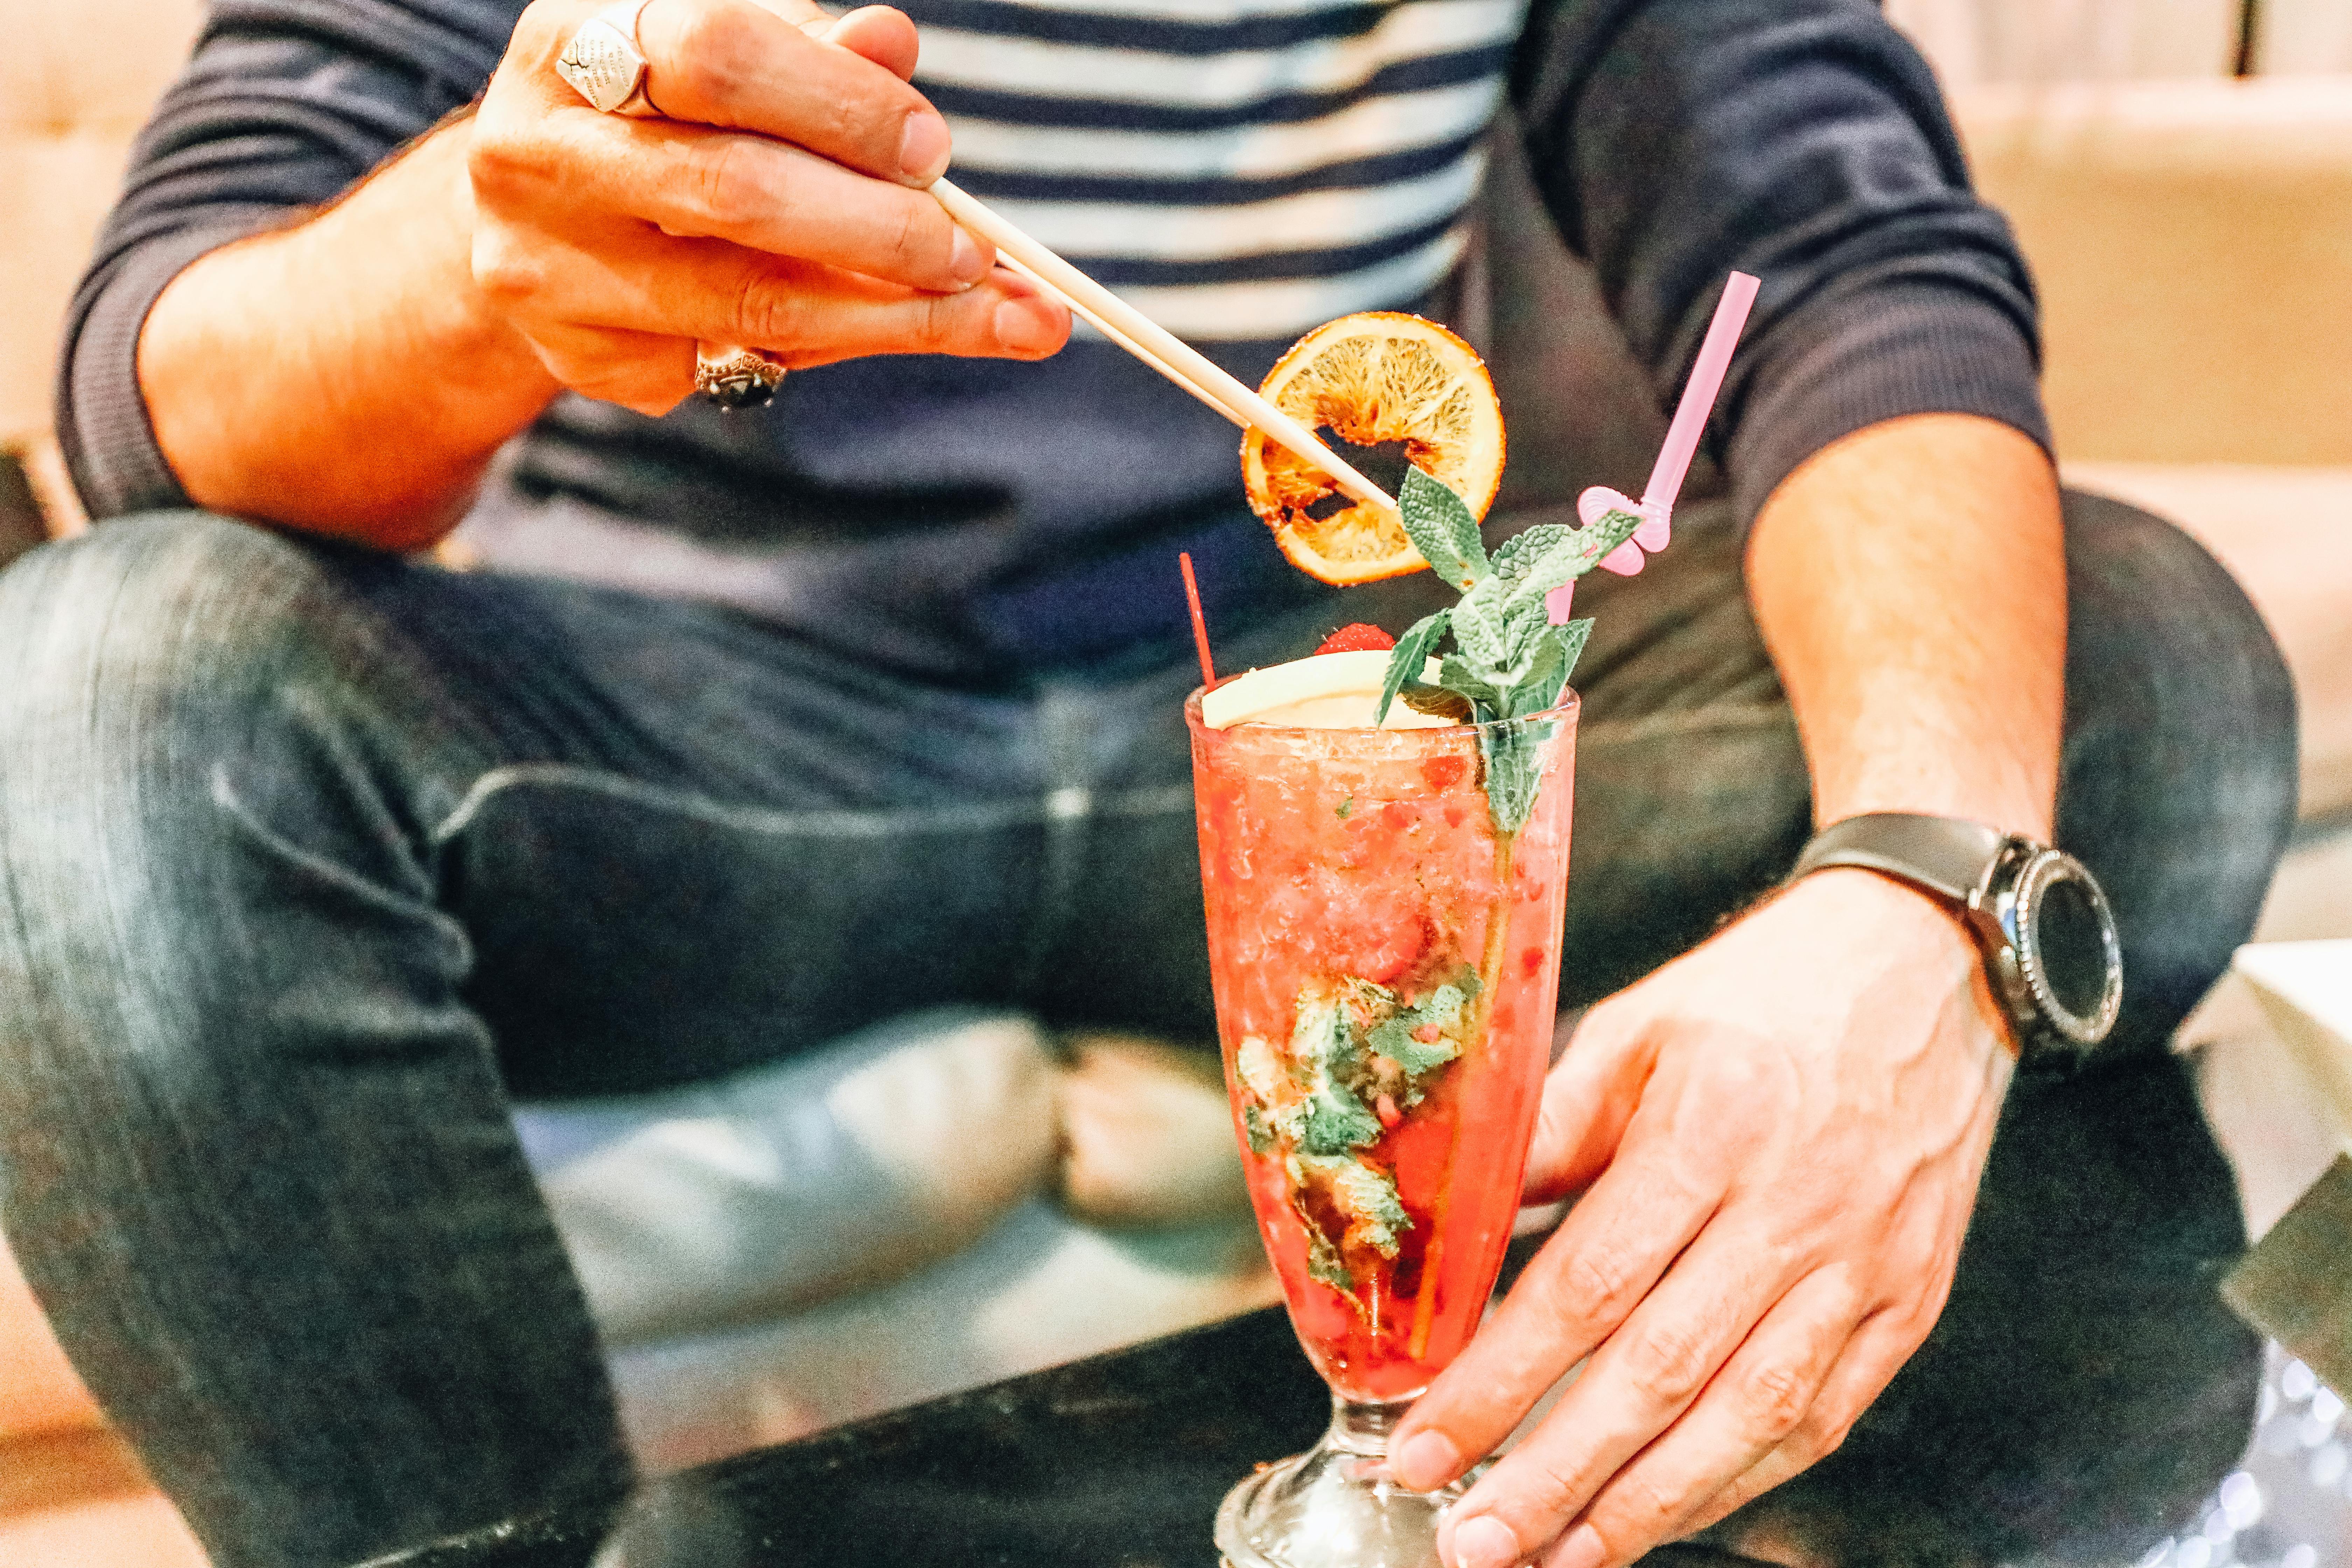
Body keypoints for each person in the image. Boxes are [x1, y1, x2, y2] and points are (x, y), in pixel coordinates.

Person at [0, 0, 2296, 1563]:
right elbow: (150, 403)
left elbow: (1851, 262)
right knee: (92, 698)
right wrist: (473, 263)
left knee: (2130, 681)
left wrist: (1918, 894)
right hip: (689, 758)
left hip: (1334, 714)